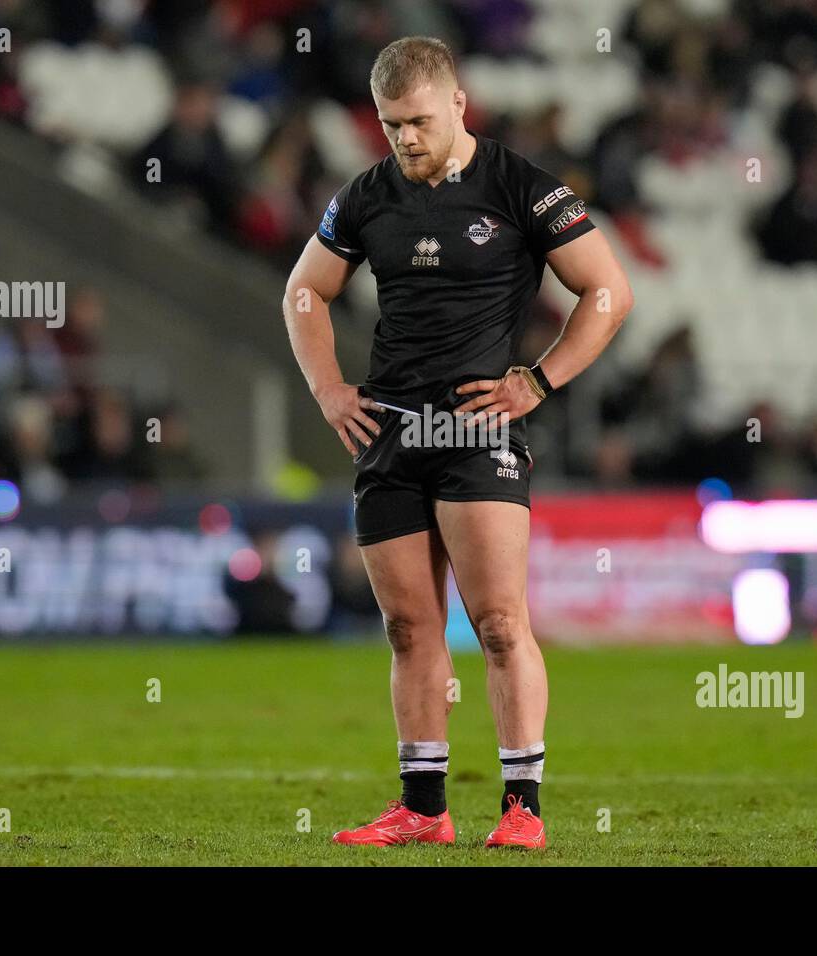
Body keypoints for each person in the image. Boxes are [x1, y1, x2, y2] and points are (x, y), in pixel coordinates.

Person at [283, 36, 633, 849]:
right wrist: (328, 390)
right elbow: (304, 291)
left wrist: (539, 381)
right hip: (390, 433)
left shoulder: (520, 187)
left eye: (418, 122)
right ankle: (424, 809)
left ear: (457, 105)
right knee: (409, 629)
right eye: (390, 124)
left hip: (478, 431)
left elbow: (608, 291)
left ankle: (523, 809)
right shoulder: (367, 195)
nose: (405, 139)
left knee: (500, 623)